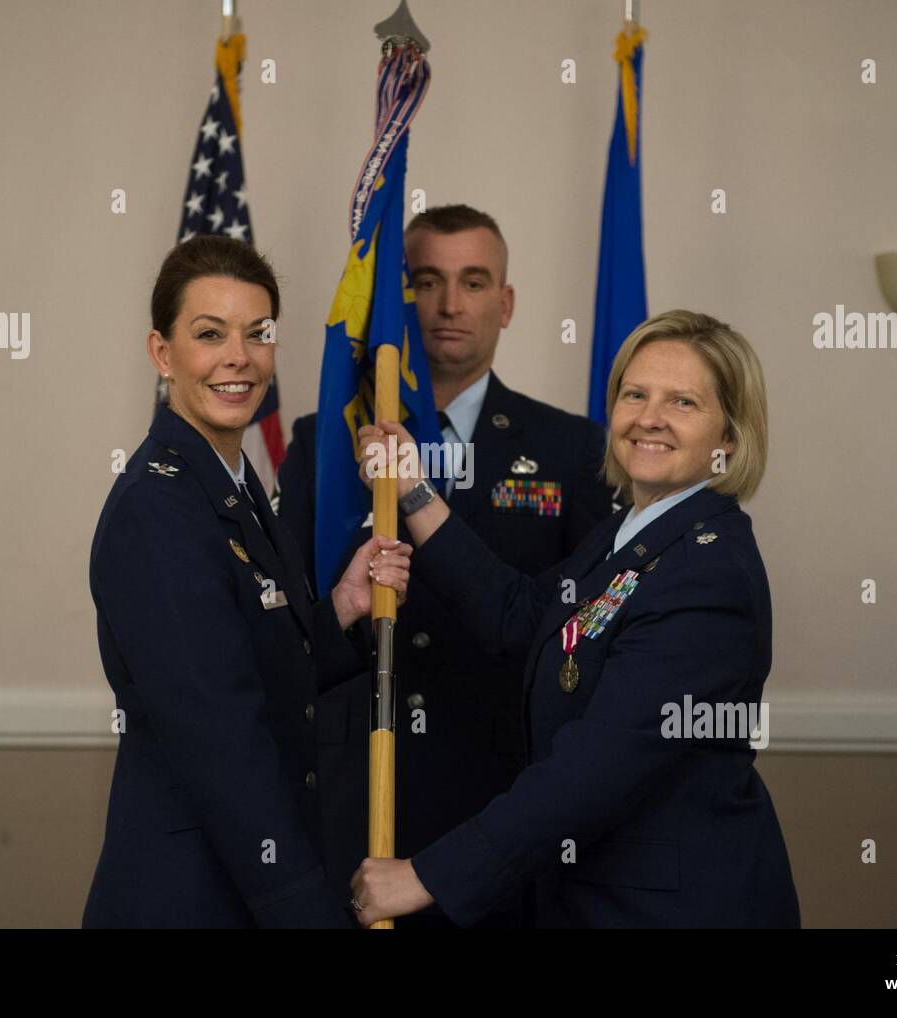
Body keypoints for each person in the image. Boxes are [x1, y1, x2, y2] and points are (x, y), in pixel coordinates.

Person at [349, 310, 801, 928]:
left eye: (683, 402)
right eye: (635, 394)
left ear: (729, 437)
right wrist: (413, 491)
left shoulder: (707, 572)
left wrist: (428, 875)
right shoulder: (631, 534)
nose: (649, 417)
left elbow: (598, 768)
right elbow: (523, 617)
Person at [276, 205, 614, 926]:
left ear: (507, 301)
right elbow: (288, 621)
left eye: (473, 281)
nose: (450, 305)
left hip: (497, 796)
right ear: (400, 298)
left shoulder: (572, 450)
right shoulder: (325, 442)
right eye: (426, 281)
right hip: (358, 791)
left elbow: (580, 636)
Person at [81, 236, 412, 928]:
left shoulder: (233, 488)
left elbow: (261, 675)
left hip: (240, 883)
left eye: (258, 334)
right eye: (210, 334)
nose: (240, 357)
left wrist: (341, 612)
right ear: (162, 354)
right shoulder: (159, 510)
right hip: (191, 896)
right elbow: (221, 741)